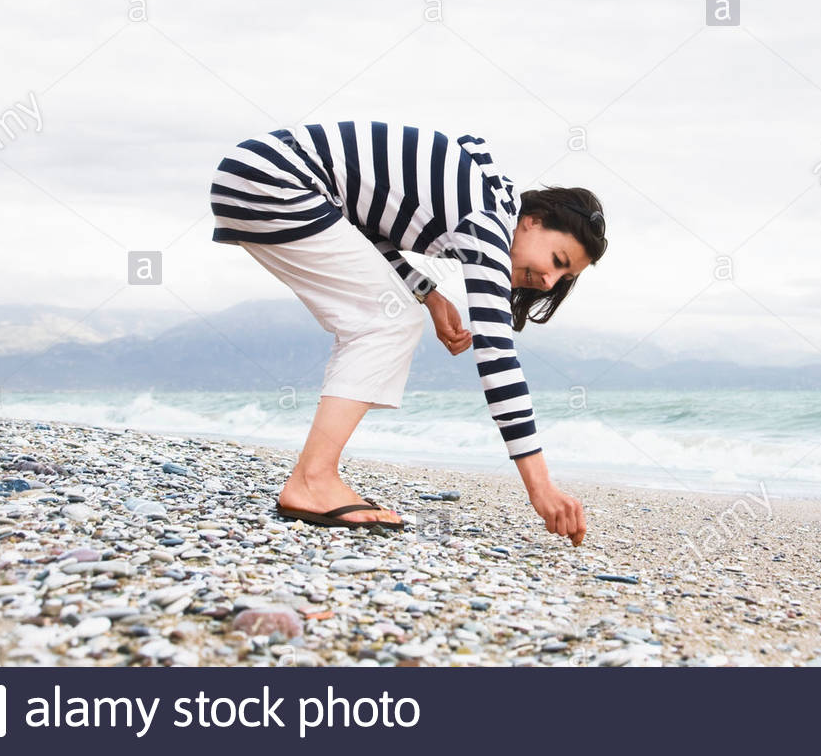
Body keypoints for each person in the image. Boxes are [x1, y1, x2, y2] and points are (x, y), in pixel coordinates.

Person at [208, 120, 607, 546]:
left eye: (564, 277)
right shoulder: (490, 222)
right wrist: (541, 487)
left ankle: (314, 476)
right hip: (275, 177)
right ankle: (312, 480)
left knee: (389, 317)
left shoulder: (482, 201)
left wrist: (428, 295)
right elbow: (497, 358)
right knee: (387, 322)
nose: (549, 281)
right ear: (532, 221)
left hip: (260, 173)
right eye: (559, 259)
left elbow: (356, 224)